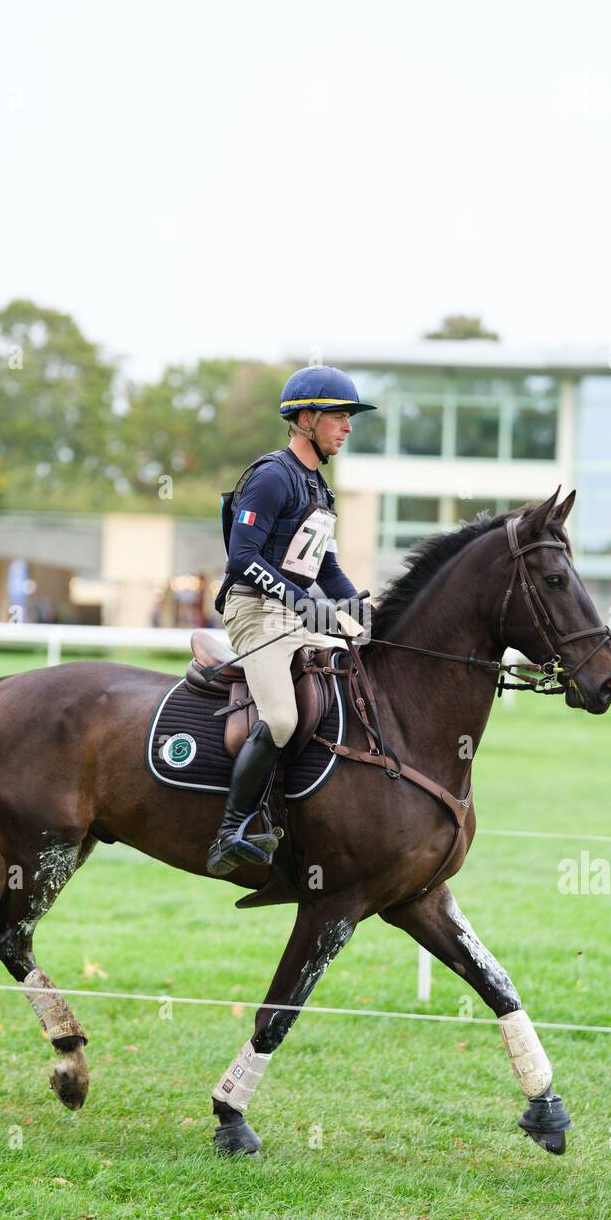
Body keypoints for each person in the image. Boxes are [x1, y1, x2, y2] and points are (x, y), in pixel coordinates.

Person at [206, 365, 375, 876]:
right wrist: (307, 605)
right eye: (339, 417)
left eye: (349, 419)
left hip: (293, 609)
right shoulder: (272, 476)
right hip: (254, 610)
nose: (348, 427)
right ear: (305, 419)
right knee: (280, 717)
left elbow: (328, 569)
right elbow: (243, 560)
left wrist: (364, 614)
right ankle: (229, 830)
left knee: (370, 654)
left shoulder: (320, 490)